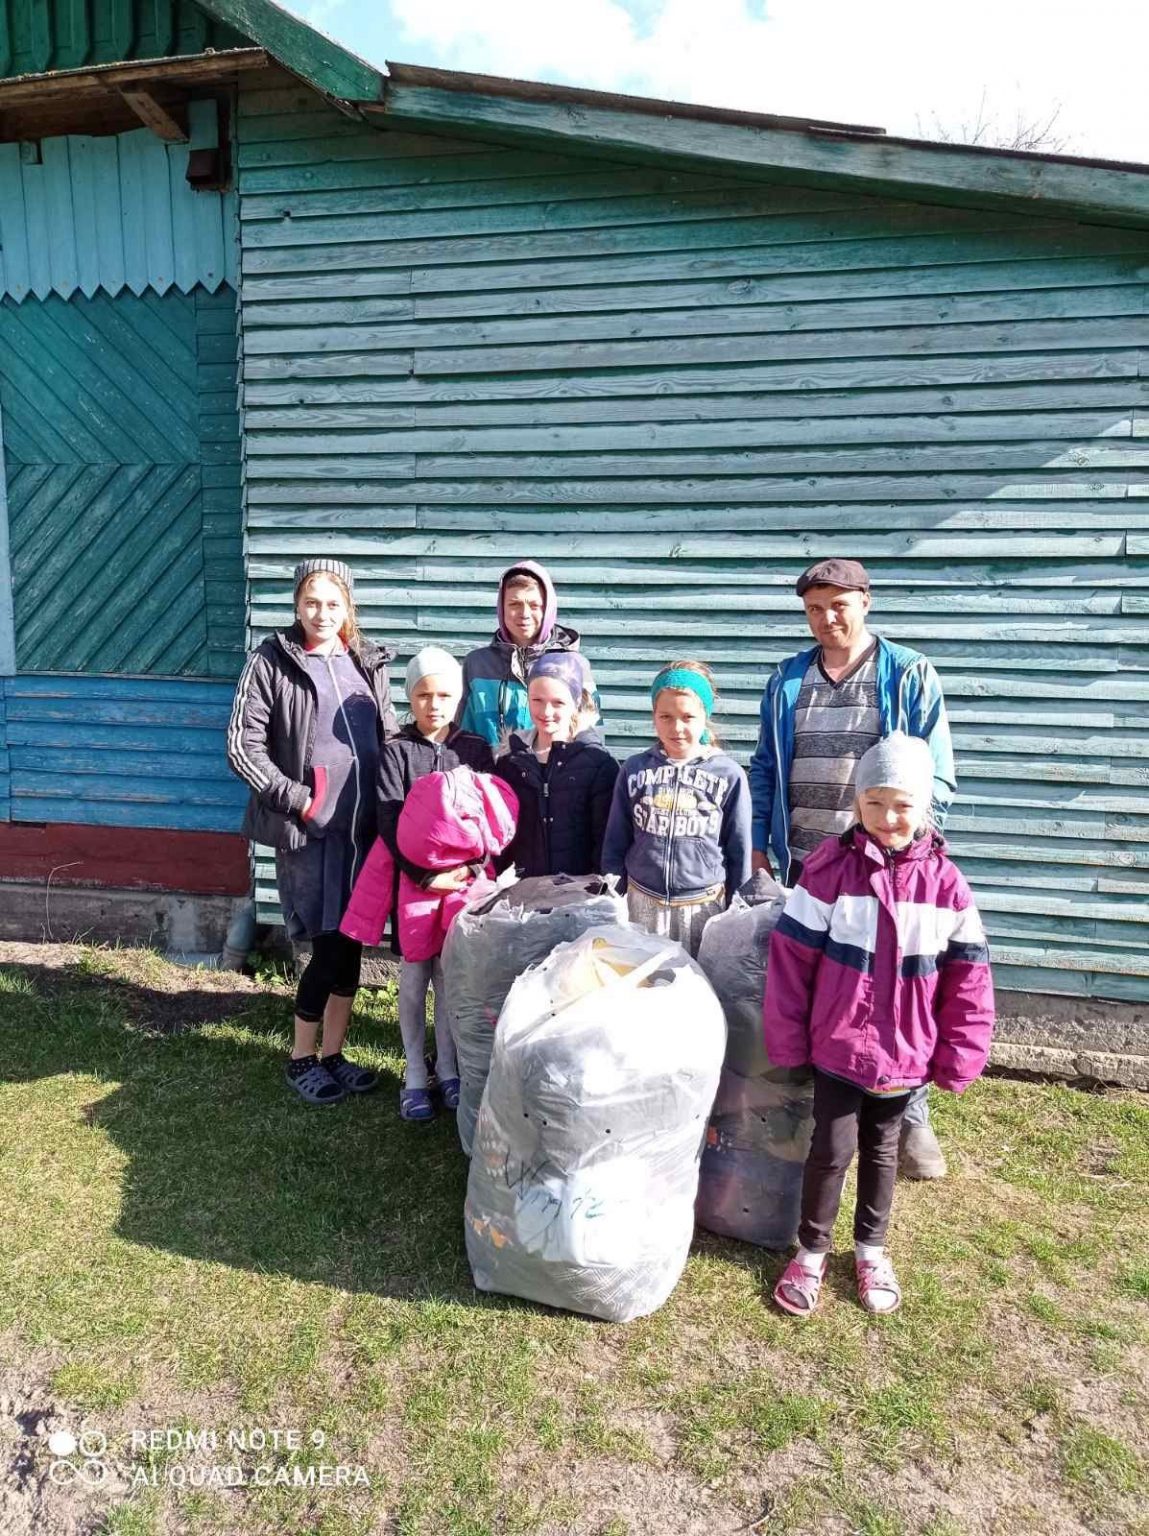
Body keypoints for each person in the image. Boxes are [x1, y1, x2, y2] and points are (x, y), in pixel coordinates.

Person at [764, 733, 994, 1318]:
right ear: (857, 804)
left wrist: (959, 1054)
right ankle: (812, 1251)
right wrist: (788, 1039)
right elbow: (791, 963)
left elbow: (969, 982)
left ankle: (870, 1250)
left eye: (902, 805)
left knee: (883, 1150)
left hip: (903, 1054)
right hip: (839, 1047)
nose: (888, 818)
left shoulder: (947, 888)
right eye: (874, 804)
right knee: (831, 1149)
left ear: (924, 808)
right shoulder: (828, 873)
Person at [748, 558, 957, 1180]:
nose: (826, 618)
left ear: (865, 602)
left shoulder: (907, 674)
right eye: (814, 609)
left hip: (883, 865)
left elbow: (935, 772)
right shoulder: (787, 680)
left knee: (899, 987)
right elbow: (764, 768)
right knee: (819, 986)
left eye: (838, 605)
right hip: (808, 865)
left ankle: (910, 1114)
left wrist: (910, 844)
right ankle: (814, 1107)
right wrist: (760, 842)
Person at [227, 558, 397, 1105]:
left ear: (349, 607)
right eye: (312, 602)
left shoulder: (367, 662)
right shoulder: (272, 661)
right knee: (325, 949)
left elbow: (391, 740)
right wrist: (300, 800)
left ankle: (334, 1054)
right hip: (311, 836)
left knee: (351, 948)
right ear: (297, 604)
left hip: (364, 836)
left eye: (333, 603)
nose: (322, 613)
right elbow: (241, 747)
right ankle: (301, 1057)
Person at [368, 647, 495, 1120]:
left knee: (449, 977)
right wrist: (425, 873)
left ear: (457, 697)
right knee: (414, 977)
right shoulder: (397, 752)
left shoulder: (475, 750)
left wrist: (470, 868)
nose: (433, 703)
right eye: (423, 694)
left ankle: (448, 1069)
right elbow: (388, 819)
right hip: (414, 888)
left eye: (443, 694)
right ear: (411, 697)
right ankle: (414, 1076)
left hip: (463, 887)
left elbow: (489, 814)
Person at [602, 660, 751, 957]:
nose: (677, 728)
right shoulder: (634, 770)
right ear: (654, 717)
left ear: (704, 716)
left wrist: (739, 912)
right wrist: (612, 897)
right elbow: (615, 842)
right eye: (666, 717)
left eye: (688, 717)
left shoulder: (728, 775)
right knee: (643, 985)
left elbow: (739, 850)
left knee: (696, 988)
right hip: (642, 904)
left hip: (702, 908)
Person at [495, 652, 618, 878]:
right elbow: (500, 832)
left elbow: (606, 839)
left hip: (578, 893)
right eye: (537, 701)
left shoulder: (598, 764)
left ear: (575, 703)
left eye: (558, 702)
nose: (546, 712)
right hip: (522, 891)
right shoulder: (510, 761)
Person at [458, 560, 591, 748]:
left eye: (534, 605)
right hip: (488, 775)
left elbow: (591, 736)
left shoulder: (573, 665)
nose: (524, 614)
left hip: (553, 775)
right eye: (514, 604)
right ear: (501, 607)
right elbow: (462, 735)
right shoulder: (478, 665)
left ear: (548, 608)